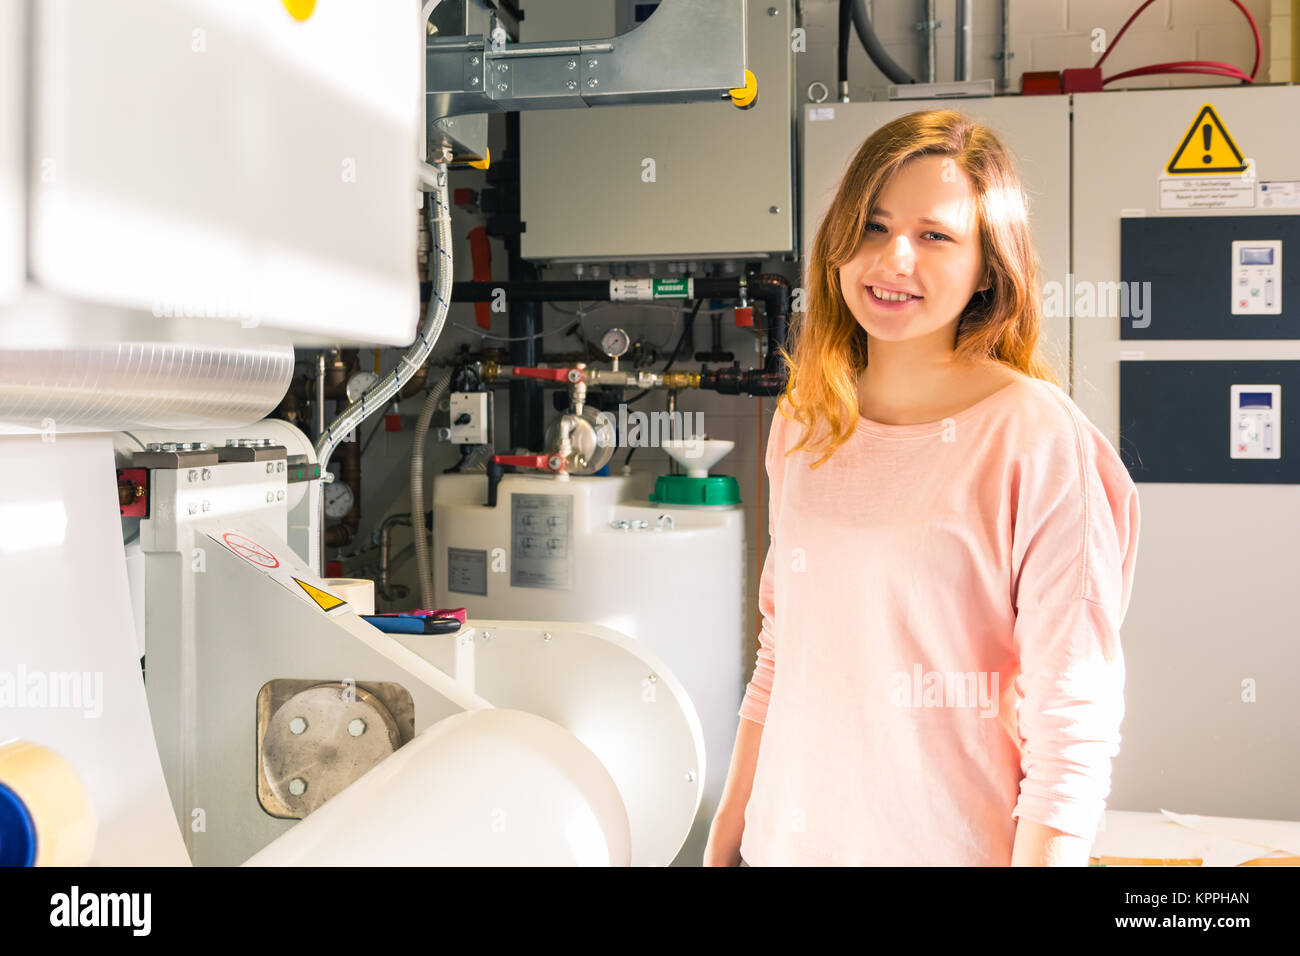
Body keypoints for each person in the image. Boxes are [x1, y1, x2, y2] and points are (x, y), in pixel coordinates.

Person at [704, 109, 1140, 867]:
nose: (893, 258)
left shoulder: (1036, 439)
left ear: (986, 266)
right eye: (871, 227)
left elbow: (1071, 718)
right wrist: (726, 843)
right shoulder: (807, 422)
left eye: (934, 236)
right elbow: (783, 653)